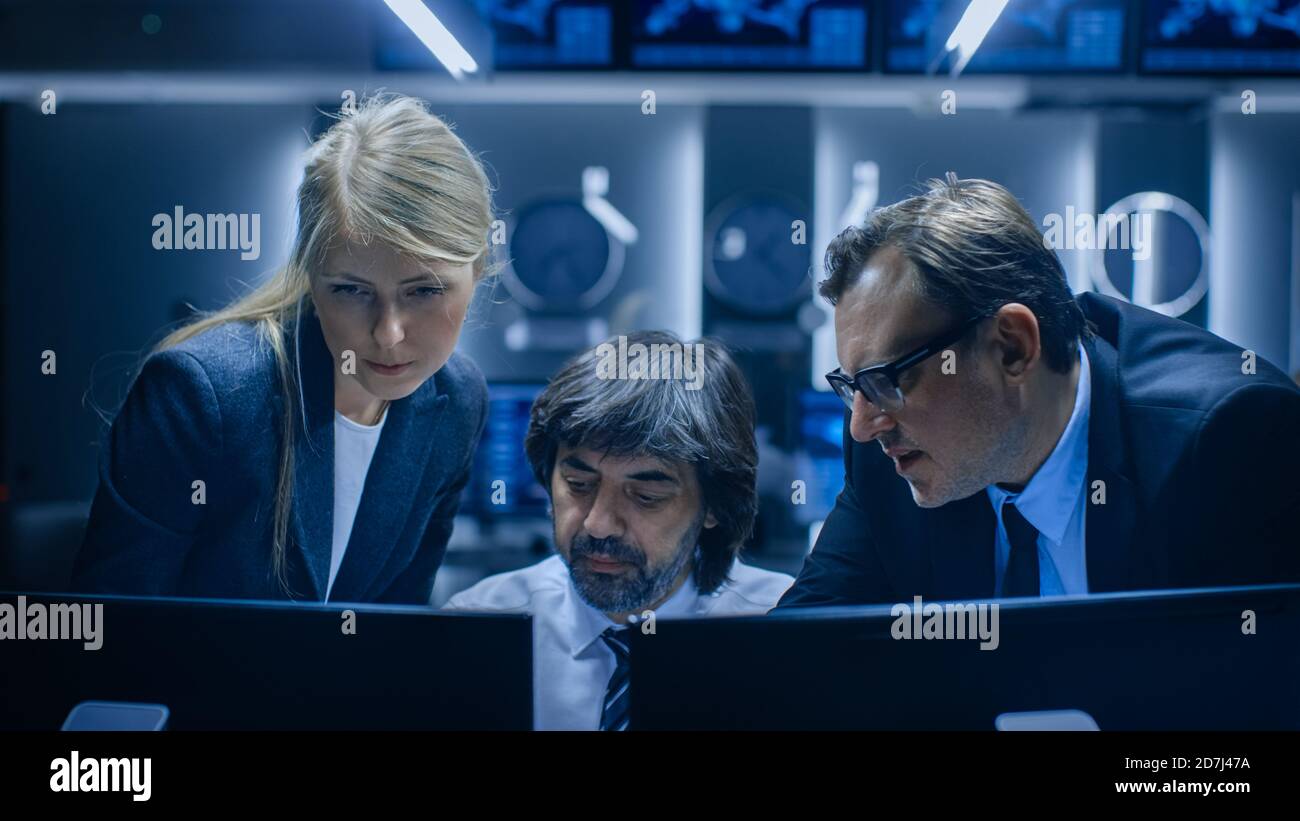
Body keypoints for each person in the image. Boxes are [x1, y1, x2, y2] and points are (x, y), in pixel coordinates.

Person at [779, 175, 1300, 608]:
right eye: (853, 387)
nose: (862, 424)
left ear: (1011, 348)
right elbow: (791, 663)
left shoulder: (1232, 438)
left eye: (886, 380)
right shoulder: (892, 463)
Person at [74, 94, 494, 604]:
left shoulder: (458, 400)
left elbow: (397, 634)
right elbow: (113, 634)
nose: (388, 333)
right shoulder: (202, 395)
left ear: (478, 270)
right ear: (311, 277)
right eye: (351, 290)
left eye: (425, 291)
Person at [444, 331, 793, 730]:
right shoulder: (477, 626)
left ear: (714, 505)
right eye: (579, 485)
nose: (598, 524)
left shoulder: (781, 631)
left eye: (645, 496)